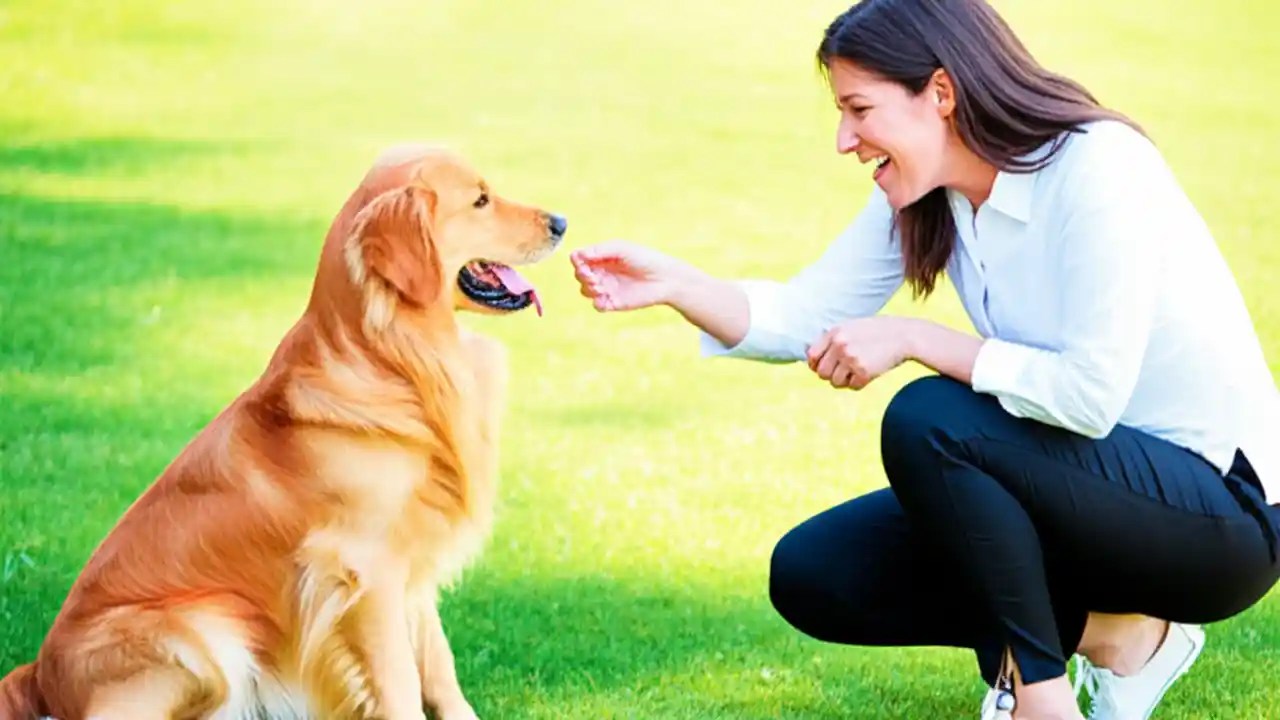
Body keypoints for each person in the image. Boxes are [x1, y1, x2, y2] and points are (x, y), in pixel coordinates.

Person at [569, 0, 1280, 718]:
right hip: (1086, 490)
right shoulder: (925, 195)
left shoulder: (1097, 166)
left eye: (859, 109)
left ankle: (1039, 695)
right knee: (816, 571)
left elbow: (1089, 394)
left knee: (931, 417)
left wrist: (917, 339)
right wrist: (676, 285)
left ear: (940, 93)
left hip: (1221, 520)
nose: (845, 139)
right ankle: (1125, 640)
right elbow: (805, 314)